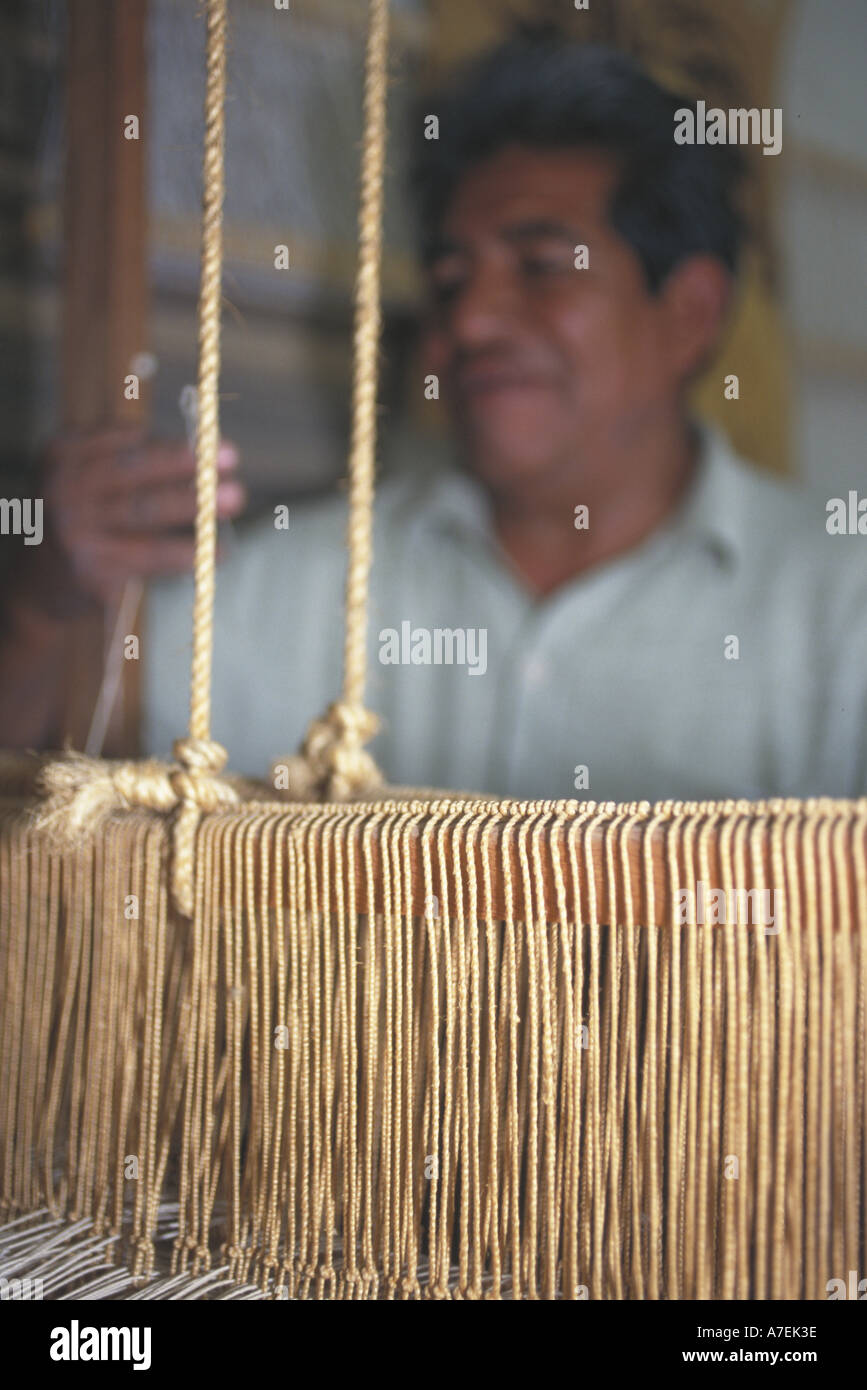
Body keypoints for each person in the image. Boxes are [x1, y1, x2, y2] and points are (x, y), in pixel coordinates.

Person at [3, 40, 866, 801]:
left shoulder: (841, 609)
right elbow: (54, 772)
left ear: (688, 313)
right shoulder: (299, 587)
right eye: (451, 281)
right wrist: (45, 609)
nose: (472, 322)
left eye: (540, 265)